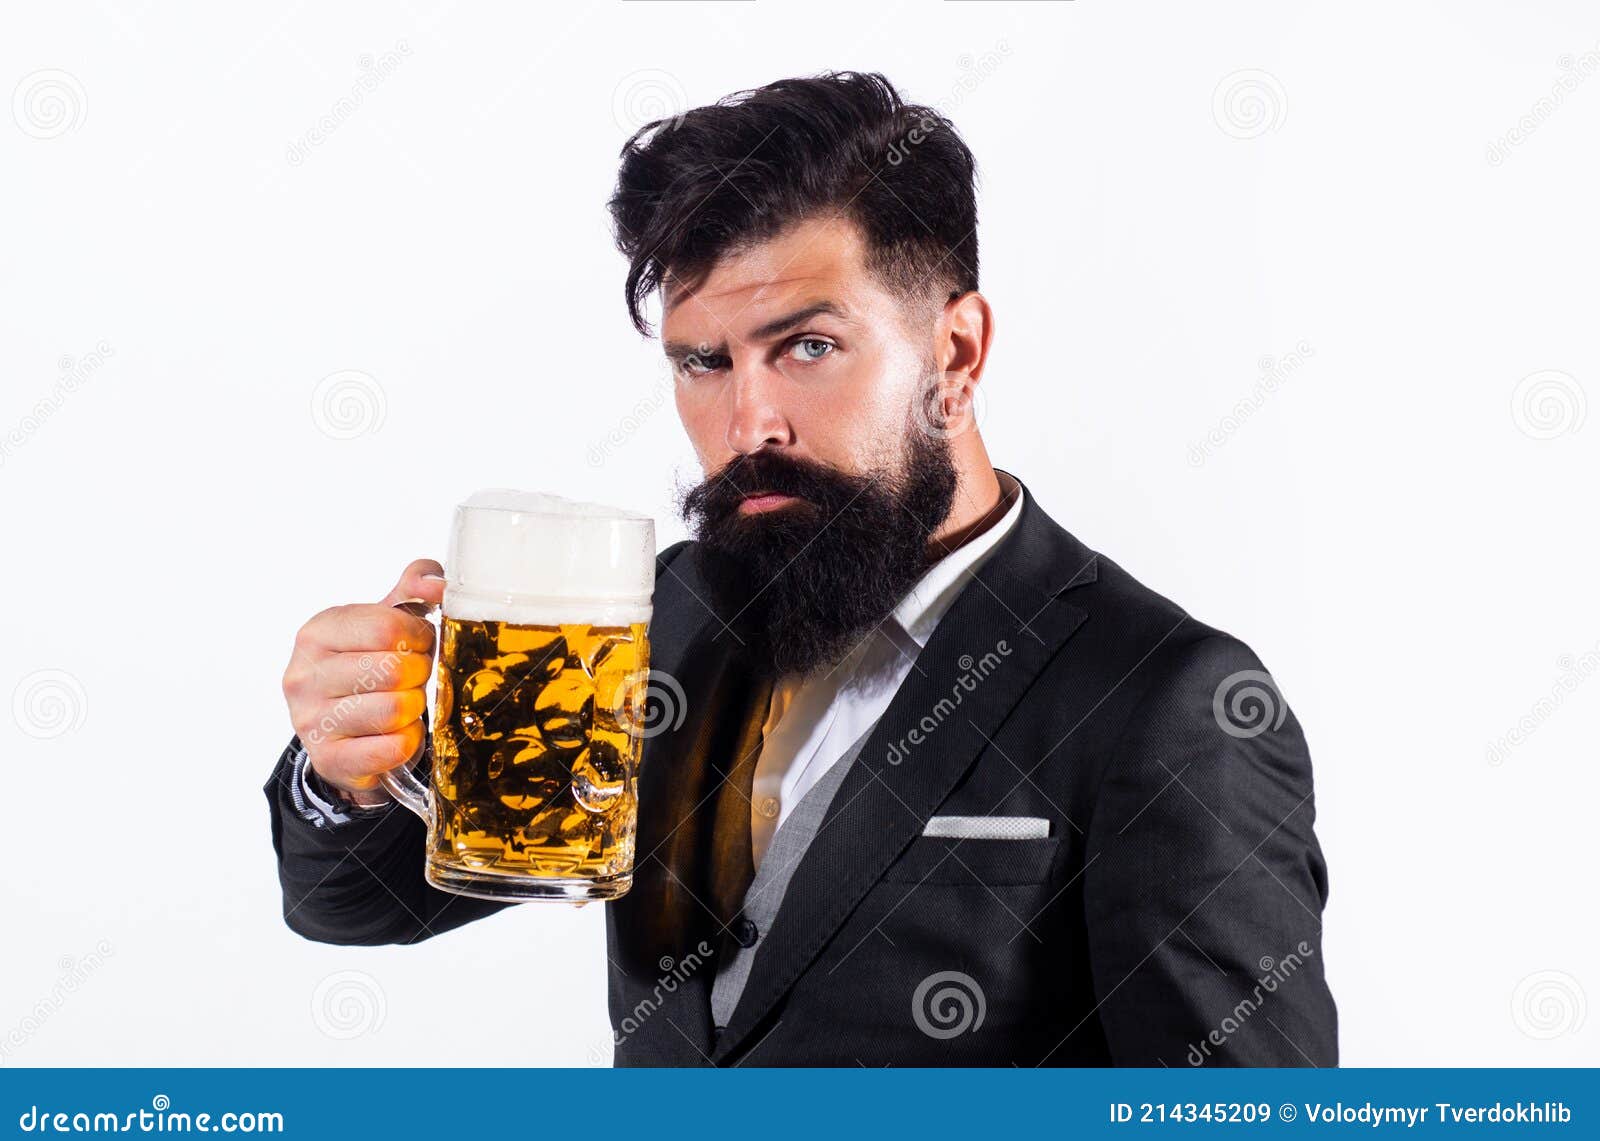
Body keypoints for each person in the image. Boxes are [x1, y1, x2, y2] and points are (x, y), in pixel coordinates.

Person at [266, 71, 1337, 1067]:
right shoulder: (661, 615)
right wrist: (352, 769)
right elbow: (357, 906)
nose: (748, 424)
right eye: (704, 361)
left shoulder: (1165, 704)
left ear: (955, 355)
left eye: (807, 346)